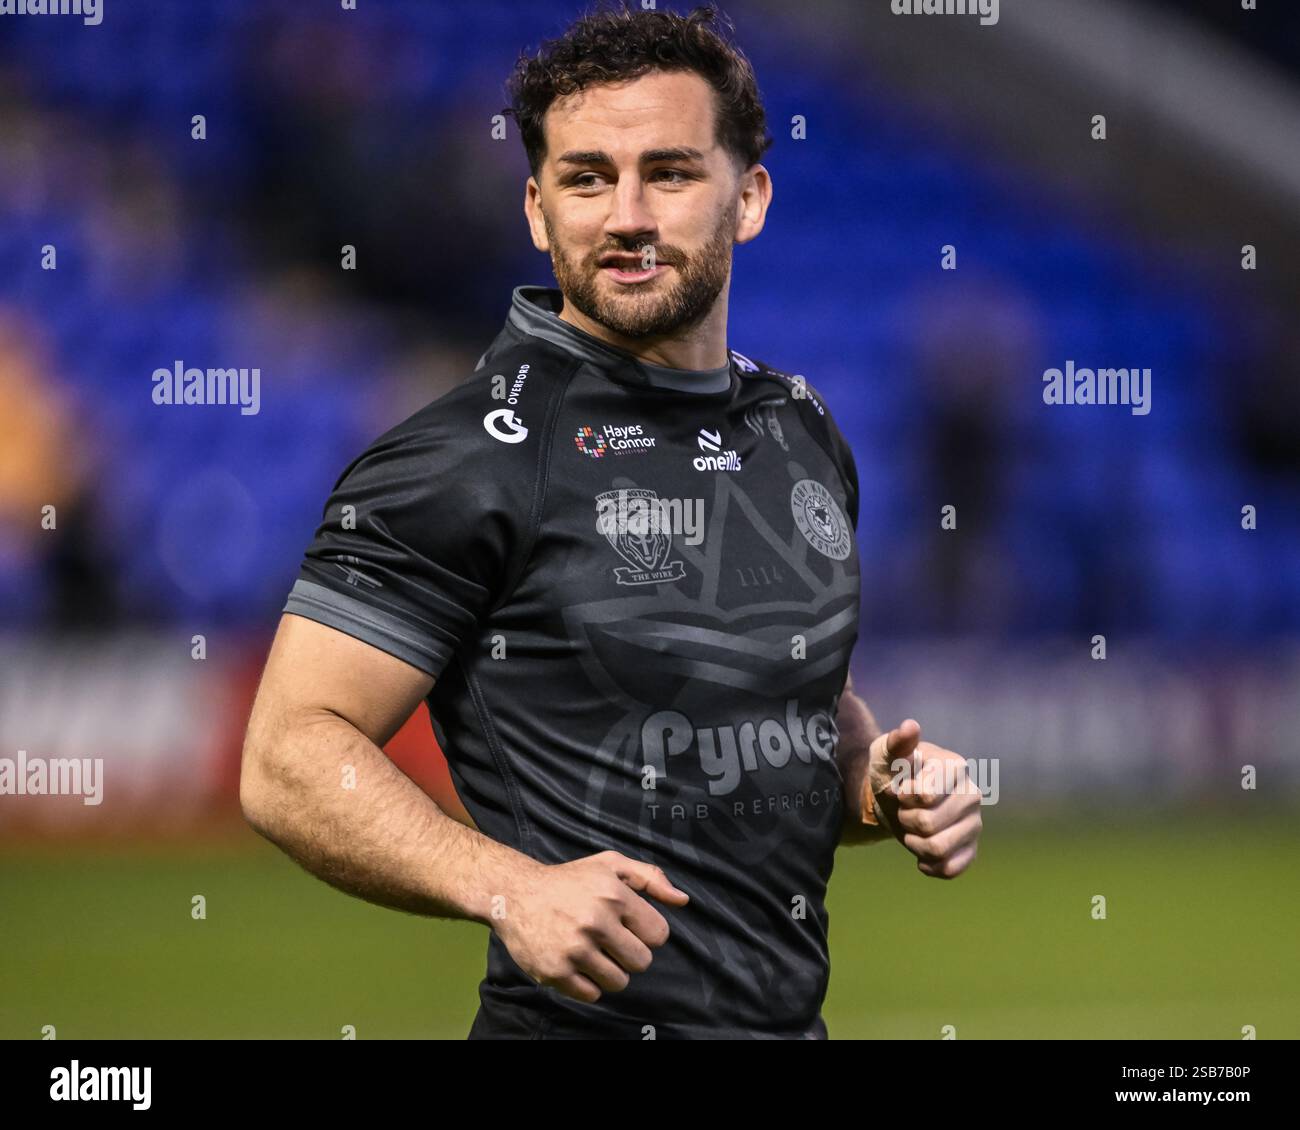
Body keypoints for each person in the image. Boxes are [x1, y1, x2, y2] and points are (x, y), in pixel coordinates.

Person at [239, 3, 981, 1041]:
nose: (626, 214)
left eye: (669, 173)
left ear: (749, 197)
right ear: (538, 210)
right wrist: (508, 887)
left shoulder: (800, 428)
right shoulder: (464, 457)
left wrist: (881, 782)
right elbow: (285, 755)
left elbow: (788, 705)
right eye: (587, 178)